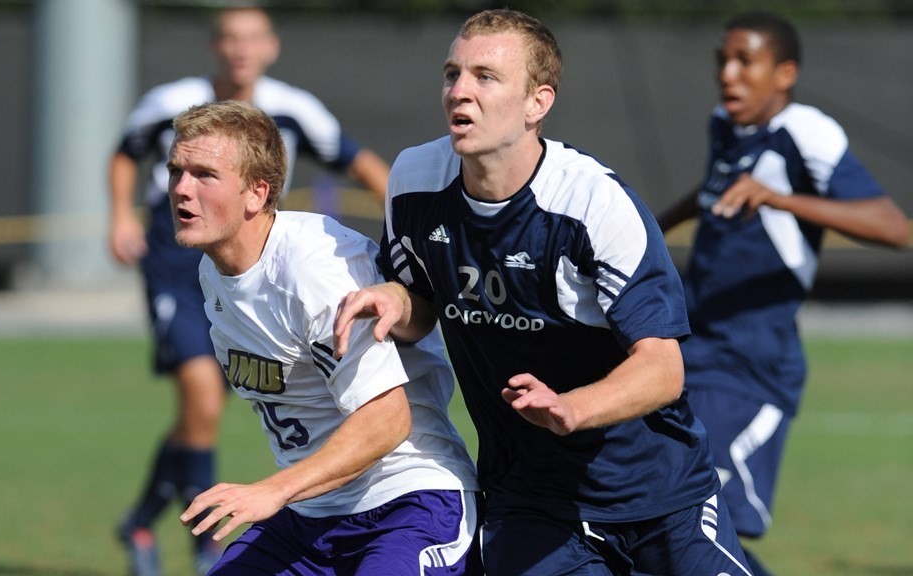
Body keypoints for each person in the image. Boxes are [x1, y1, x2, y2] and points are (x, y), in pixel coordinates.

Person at [334, 8, 753, 576]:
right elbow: (423, 304)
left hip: (661, 495)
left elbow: (662, 367)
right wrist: (395, 300)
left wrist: (571, 407)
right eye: (452, 73)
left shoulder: (593, 205)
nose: (459, 91)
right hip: (530, 503)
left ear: (538, 102)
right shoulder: (413, 181)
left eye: (485, 76)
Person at [106, 6, 390, 576]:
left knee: (204, 411)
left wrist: (412, 230)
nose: (241, 50)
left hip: (252, 273)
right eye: (231, 39)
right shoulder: (171, 103)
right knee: (204, 401)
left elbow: (360, 163)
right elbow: (123, 154)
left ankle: (142, 518)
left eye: (253, 39)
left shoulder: (294, 108)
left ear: (271, 47)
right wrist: (121, 217)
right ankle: (209, 541)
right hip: (178, 269)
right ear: (215, 46)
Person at [168, 99, 481, 575]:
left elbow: (386, 420)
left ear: (257, 193)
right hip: (312, 513)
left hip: (409, 500)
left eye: (204, 175)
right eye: (177, 171)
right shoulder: (214, 272)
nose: (181, 190)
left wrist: (271, 491)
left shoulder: (316, 268)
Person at [656, 11, 909, 576]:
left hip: (750, 366)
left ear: (785, 72)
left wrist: (781, 199)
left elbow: (895, 228)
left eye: (747, 61)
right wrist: (646, 227)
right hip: (689, 349)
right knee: (665, 513)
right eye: (723, 60)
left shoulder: (805, 132)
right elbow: (714, 190)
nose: (729, 73)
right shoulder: (726, 124)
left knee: (702, 515)